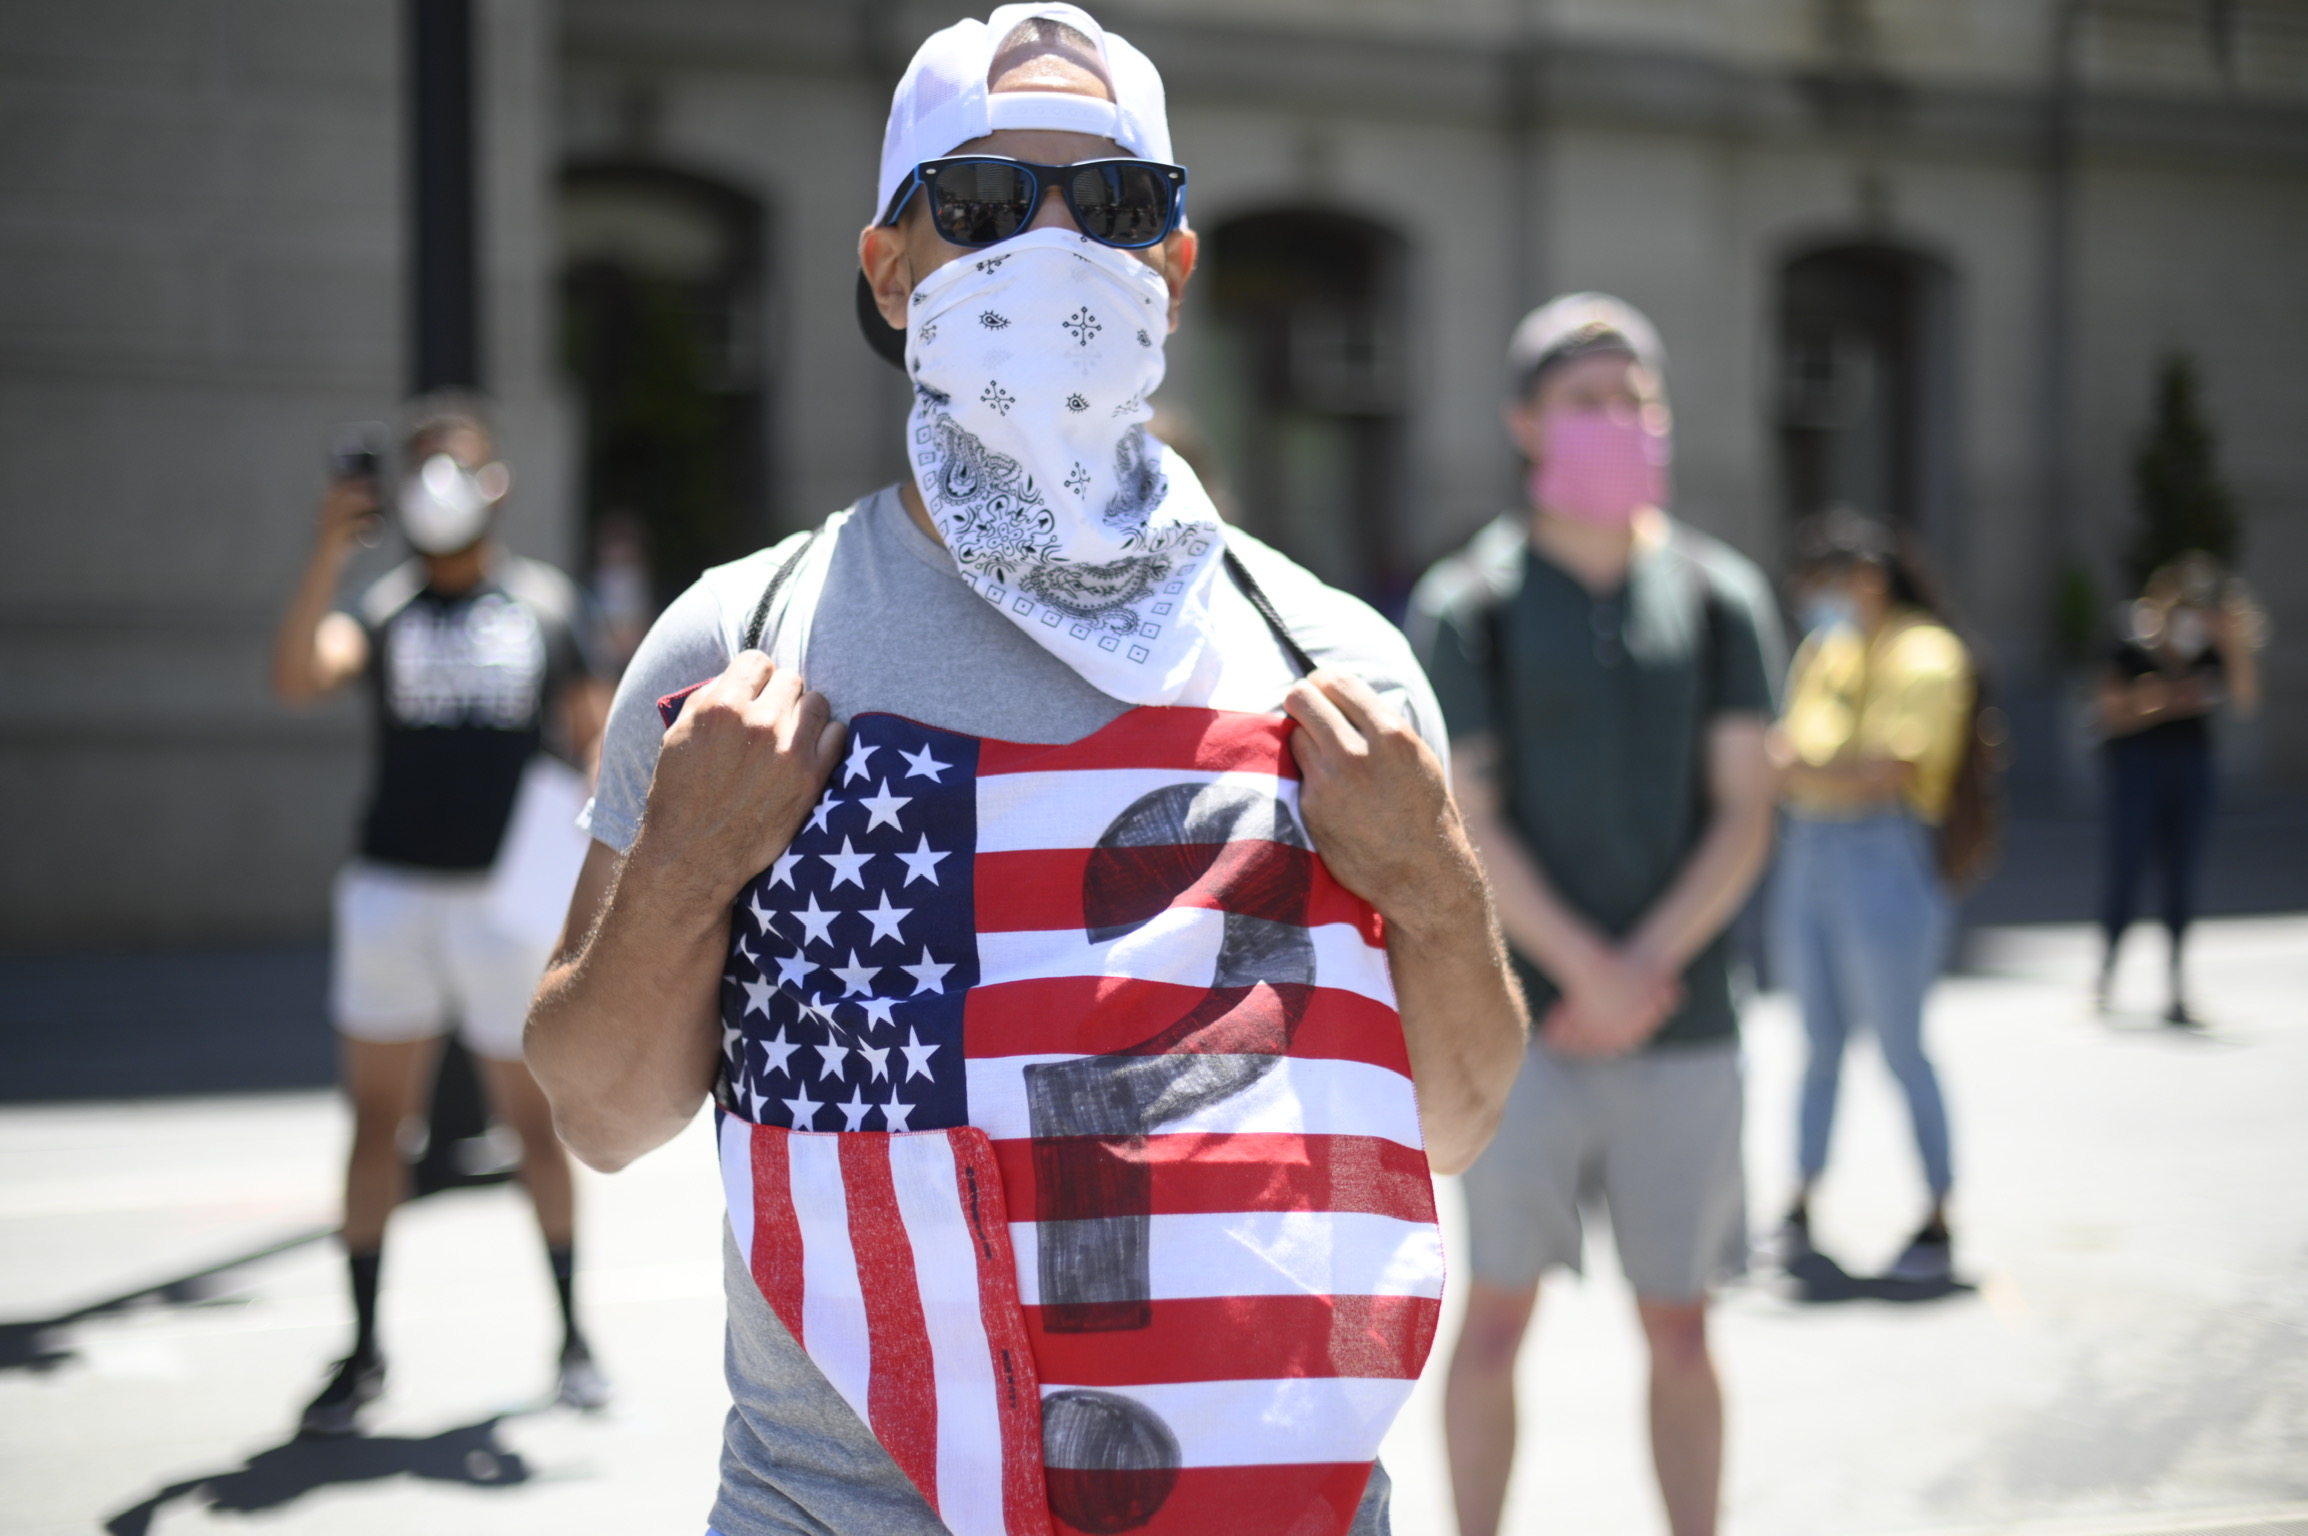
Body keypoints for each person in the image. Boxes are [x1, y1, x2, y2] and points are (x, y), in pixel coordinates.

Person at [523, 10, 1528, 1536]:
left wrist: (1436, 891)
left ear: (1173, 270)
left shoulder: (1336, 662)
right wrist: (683, 860)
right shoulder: (742, 642)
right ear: (889, 268)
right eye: (986, 207)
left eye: (1114, 205)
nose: (1052, 247)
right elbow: (598, 1112)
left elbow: (1452, 1122)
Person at [1408, 293, 1781, 1536]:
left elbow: (1743, 808)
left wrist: (1642, 969)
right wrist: (1579, 973)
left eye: (1634, 399)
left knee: (1680, 1322)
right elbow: (1467, 818)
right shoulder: (1471, 603)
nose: (1616, 421)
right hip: (1519, 1035)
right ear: (1526, 421)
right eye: (1585, 400)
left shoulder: (1721, 596)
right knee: (1497, 1313)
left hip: (1684, 1030)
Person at [270, 395, 613, 1435]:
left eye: (458, 467)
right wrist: (329, 554)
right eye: (425, 468)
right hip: (393, 897)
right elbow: (297, 677)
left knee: (531, 1125)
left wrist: (579, 885)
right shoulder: (383, 611)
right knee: (379, 1123)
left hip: (502, 909)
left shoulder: (545, 610)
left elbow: (598, 743)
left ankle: (572, 1337)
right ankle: (364, 1346)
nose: (442, 488)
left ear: (495, 484)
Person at [1769, 510, 1974, 1282]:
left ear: (1868, 580)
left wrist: (1801, 769)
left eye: (1826, 586)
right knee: (1817, 1043)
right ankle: (1799, 1203)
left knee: (1899, 1043)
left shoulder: (1926, 652)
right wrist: (1812, 769)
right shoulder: (1829, 647)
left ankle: (1939, 1212)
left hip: (1885, 855)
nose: (1816, 603)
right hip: (1814, 850)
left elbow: (1885, 768)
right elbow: (1800, 750)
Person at [2095, 552, 2264, 1025]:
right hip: (2137, 765)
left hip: (2192, 766)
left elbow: (2247, 702)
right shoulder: (2131, 646)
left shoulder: (2209, 650)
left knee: (2181, 876)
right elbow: (2109, 711)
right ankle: (2106, 975)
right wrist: (2166, 700)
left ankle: (2175, 985)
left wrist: (2233, 643)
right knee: (2126, 870)